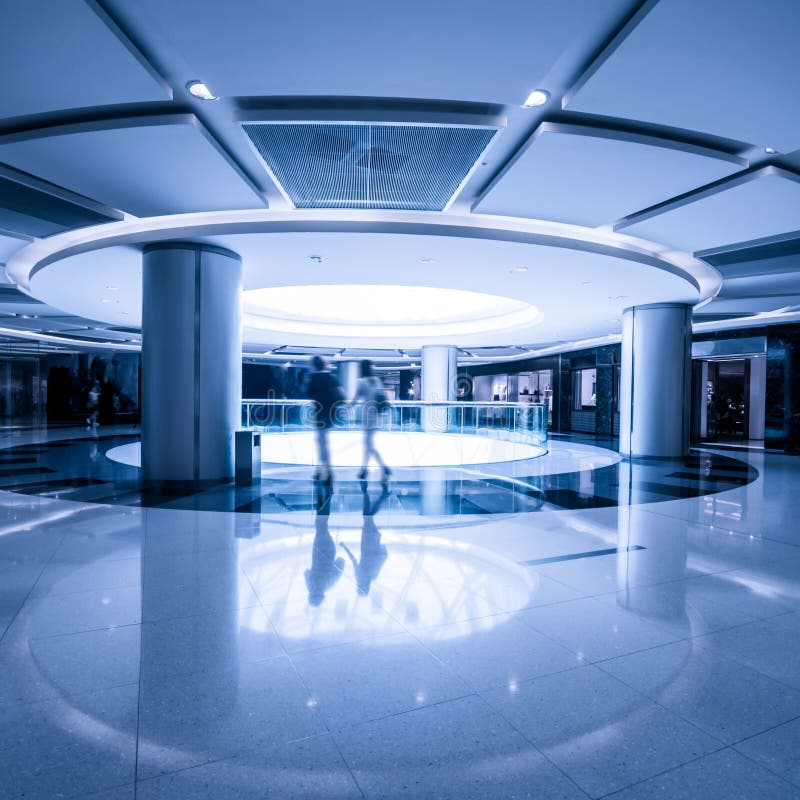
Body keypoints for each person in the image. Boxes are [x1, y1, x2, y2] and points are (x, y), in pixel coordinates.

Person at [342, 480, 390, 596]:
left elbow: (383, 557)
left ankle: (382, 495)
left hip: (372, 541)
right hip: (367, 541)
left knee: (368, 516)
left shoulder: (373, 576)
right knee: (367, 516)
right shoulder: (361, 576)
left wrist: (379, 546)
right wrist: (344, 547)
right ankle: (366, 490)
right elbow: (353, 560)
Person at [304, 356, 344, 482]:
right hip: (330, 413)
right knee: (322, 442)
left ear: (314, 365)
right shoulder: (331, 377)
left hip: (319, 414)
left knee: (321, 443)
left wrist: (306, 381)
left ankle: (326, 470)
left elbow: (308, 393)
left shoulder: (314, 378)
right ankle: (322, 470)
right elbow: (342, 396)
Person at [354, 359, 391, 481]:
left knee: (369, 446)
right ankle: (363, 470)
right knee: (368, 445)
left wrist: (347, 408)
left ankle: (384, 467)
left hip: (367, 417)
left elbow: (355, 399)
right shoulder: (376, 381)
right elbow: (381, 397)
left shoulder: (361, 382)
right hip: (375, 416)